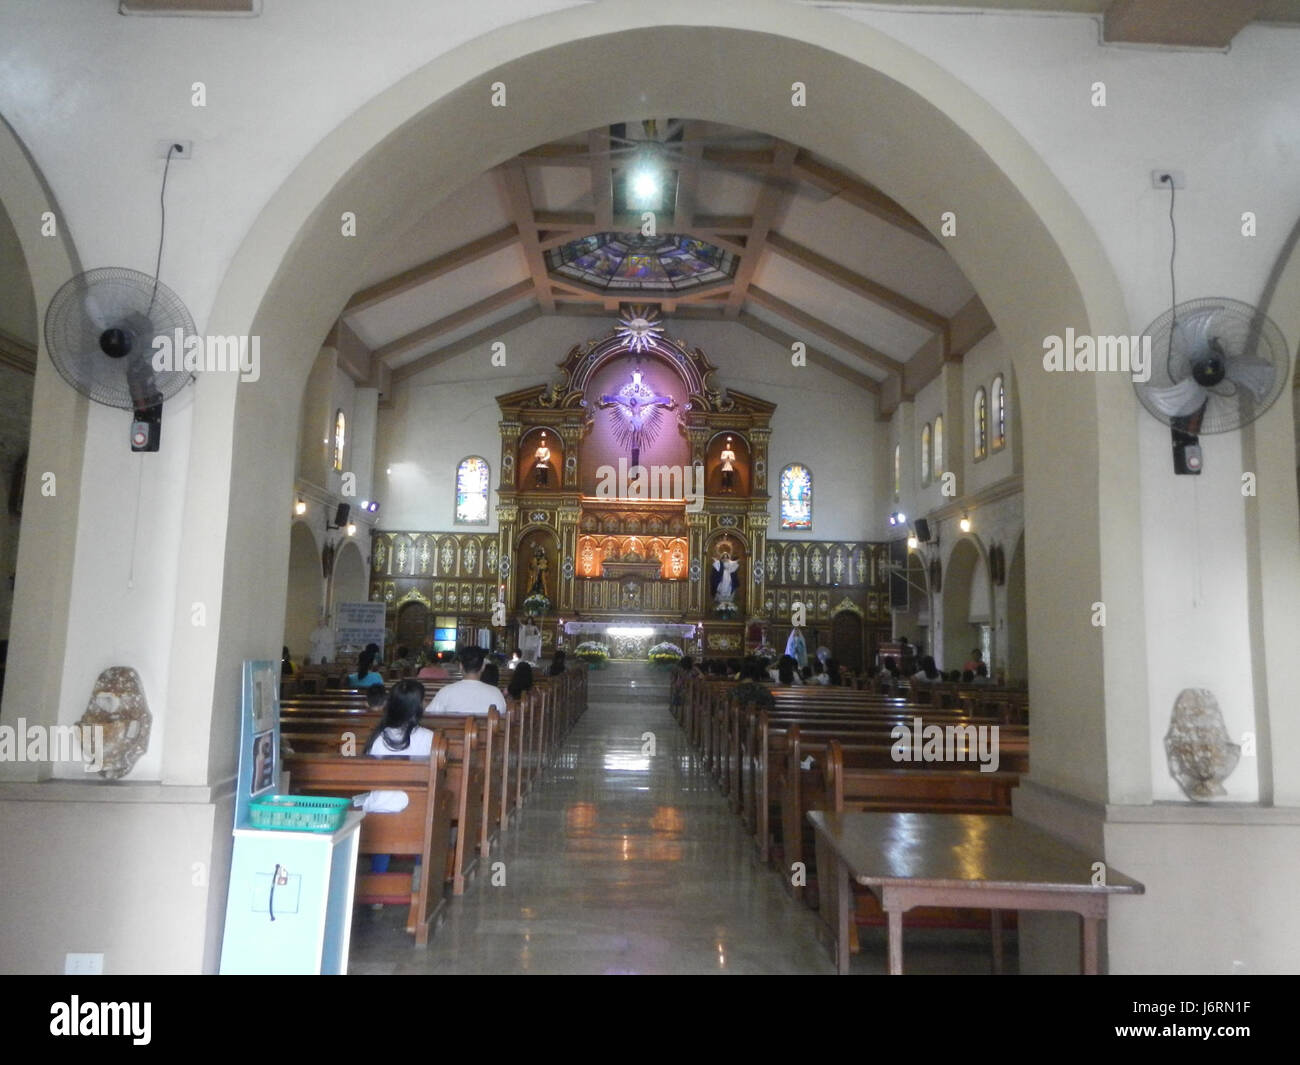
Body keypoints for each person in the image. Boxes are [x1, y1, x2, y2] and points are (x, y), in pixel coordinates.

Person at [427, 646, 507, 716]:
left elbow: (430, 716)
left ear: (461, 667)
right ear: (483, 667)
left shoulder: (445, 692)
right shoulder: (495, 693)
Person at [366, 679, 432, 758]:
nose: (426, 703)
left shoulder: (377, 737)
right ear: (417, 707)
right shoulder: (429, 738)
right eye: (423, 700)